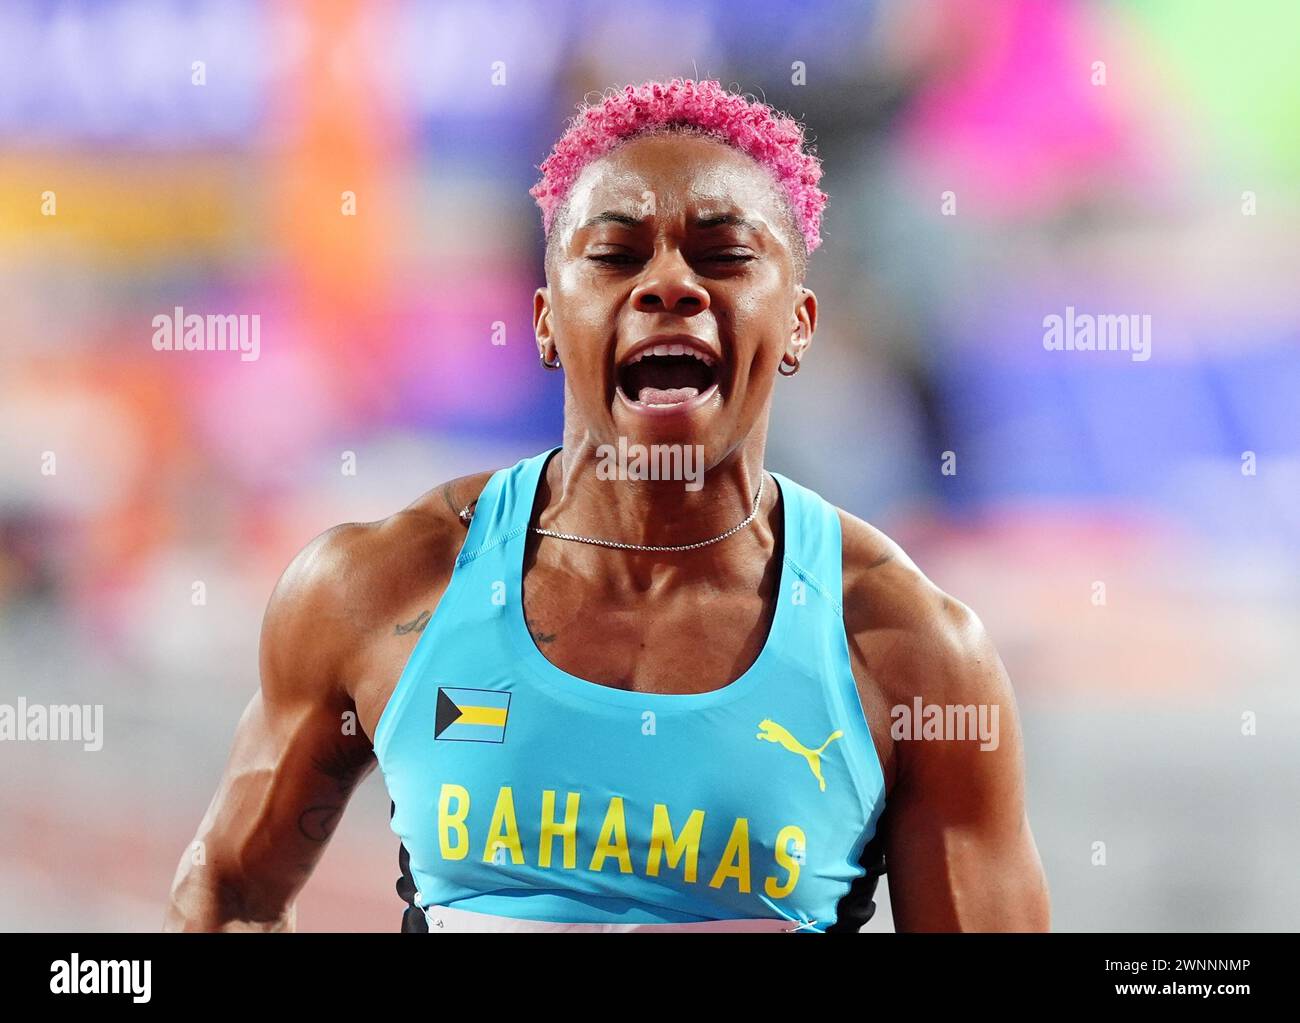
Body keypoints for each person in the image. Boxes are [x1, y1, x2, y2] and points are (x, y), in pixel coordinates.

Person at [164, 77, 1050, 933]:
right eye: (617, 255)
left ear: (800, 325)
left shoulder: (912, 654)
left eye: (725, 255)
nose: (669, 287)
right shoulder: (378, 589)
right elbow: (231, 889)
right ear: (548, 321)